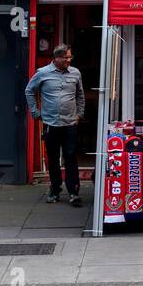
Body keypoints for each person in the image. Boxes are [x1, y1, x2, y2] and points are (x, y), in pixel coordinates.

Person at [24, 43, 85, 207]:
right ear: (56, 58)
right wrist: (35, 113)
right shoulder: (42, 73)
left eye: (70, 57)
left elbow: (80, 95)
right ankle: (55, 190)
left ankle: (73, 191)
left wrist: (80, 114)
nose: (68, 60)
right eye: (65, 57)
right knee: (53, 158)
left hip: (70, 122)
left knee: (71, 156)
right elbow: (29, 91)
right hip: (51, 123)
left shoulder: (75, 73)